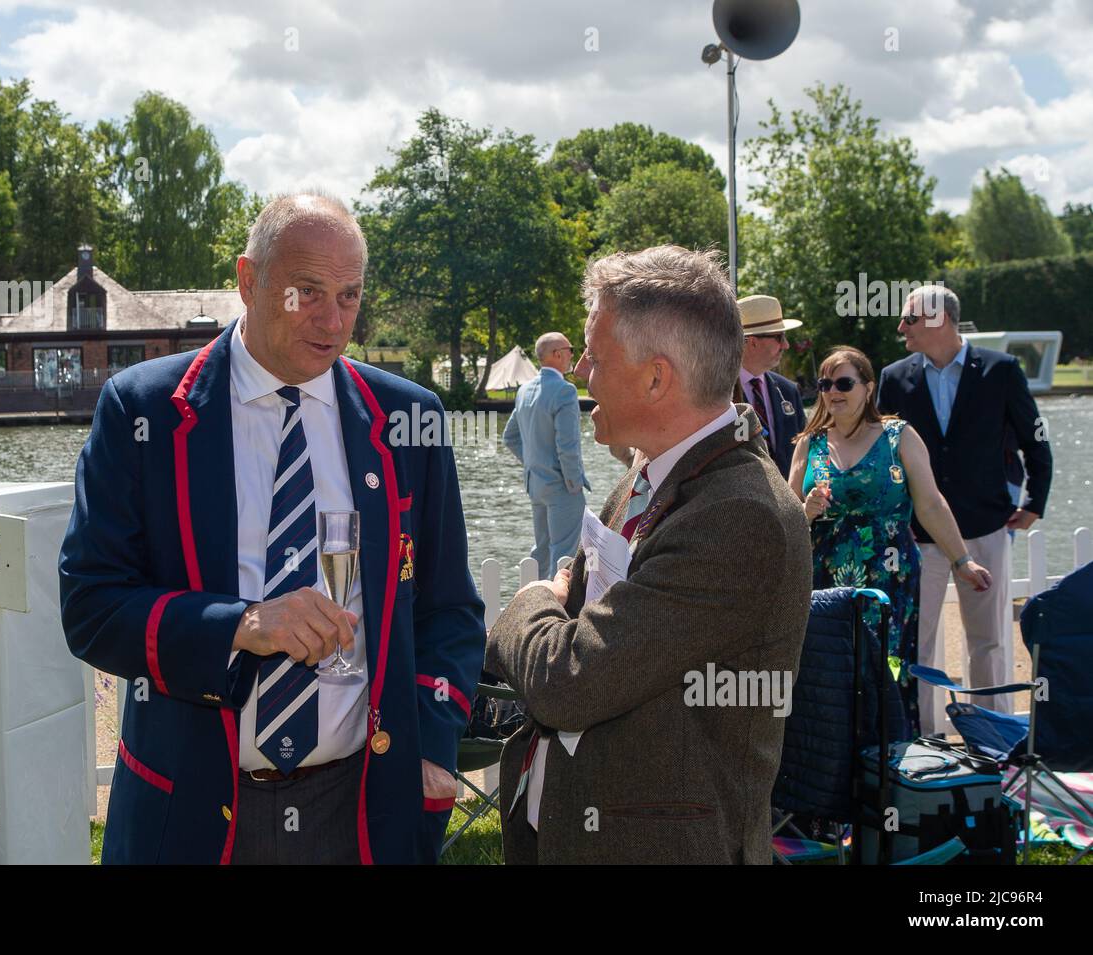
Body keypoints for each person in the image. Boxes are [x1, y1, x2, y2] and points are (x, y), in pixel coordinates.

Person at [59, 191, 485, 864]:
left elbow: (450, 609)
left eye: (349, 296)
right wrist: (240, 624)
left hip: (364, 810)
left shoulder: (410, 418)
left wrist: (433, 744)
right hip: (196, 809)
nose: (332, 319)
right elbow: (90, 605)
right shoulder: (144, 410)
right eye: (307, 291)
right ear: (248, 281)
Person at [485, 245, 813, 864]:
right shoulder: (657, 471)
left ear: (657, 377)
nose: (581, 370)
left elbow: (570, 679)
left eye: (596, 355)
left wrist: (528, 603)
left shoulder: (738, 514)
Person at [790, 346, 992, 736]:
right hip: (824, 580)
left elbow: (931, 505)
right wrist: (807, 510)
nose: (833, 391)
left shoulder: (900, 436)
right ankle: (832, 767)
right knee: (830, 669)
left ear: (867, 388)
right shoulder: (808, 444)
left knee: (888, 665)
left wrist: (962, 560)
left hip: (890, 577)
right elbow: (788, 517)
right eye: (825, 384)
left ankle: (890, 758)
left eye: (844, 383)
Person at [877, 286, 1052, 731]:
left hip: (986, 525)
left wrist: (1035, 502)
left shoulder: (1001, 370)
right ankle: (922, 741)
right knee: (918, 643)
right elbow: (881, 453)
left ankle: (993, 742)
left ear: (938, 319)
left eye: (909, 319)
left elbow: (1035, 439)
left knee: (989, 643)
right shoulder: (894, 377)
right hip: (920, 534)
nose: (901, 328)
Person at [502, 331, 591, 578]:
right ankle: (558, 611)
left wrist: (534, 464)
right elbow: (567, 445)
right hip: (561, 484)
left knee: (541, 551)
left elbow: (509, 438)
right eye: (570, 349)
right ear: (557, 354)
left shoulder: (524, 391)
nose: (573, 354)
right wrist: (573, 483)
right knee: (565, 554)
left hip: (535, 483)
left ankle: (531, 605)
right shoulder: (565, 391)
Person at [737, 295, 806, 479]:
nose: (786, 345)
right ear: (752, 342)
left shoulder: (788, 391)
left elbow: (804, 451)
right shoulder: (718, 393)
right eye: (779, 337)